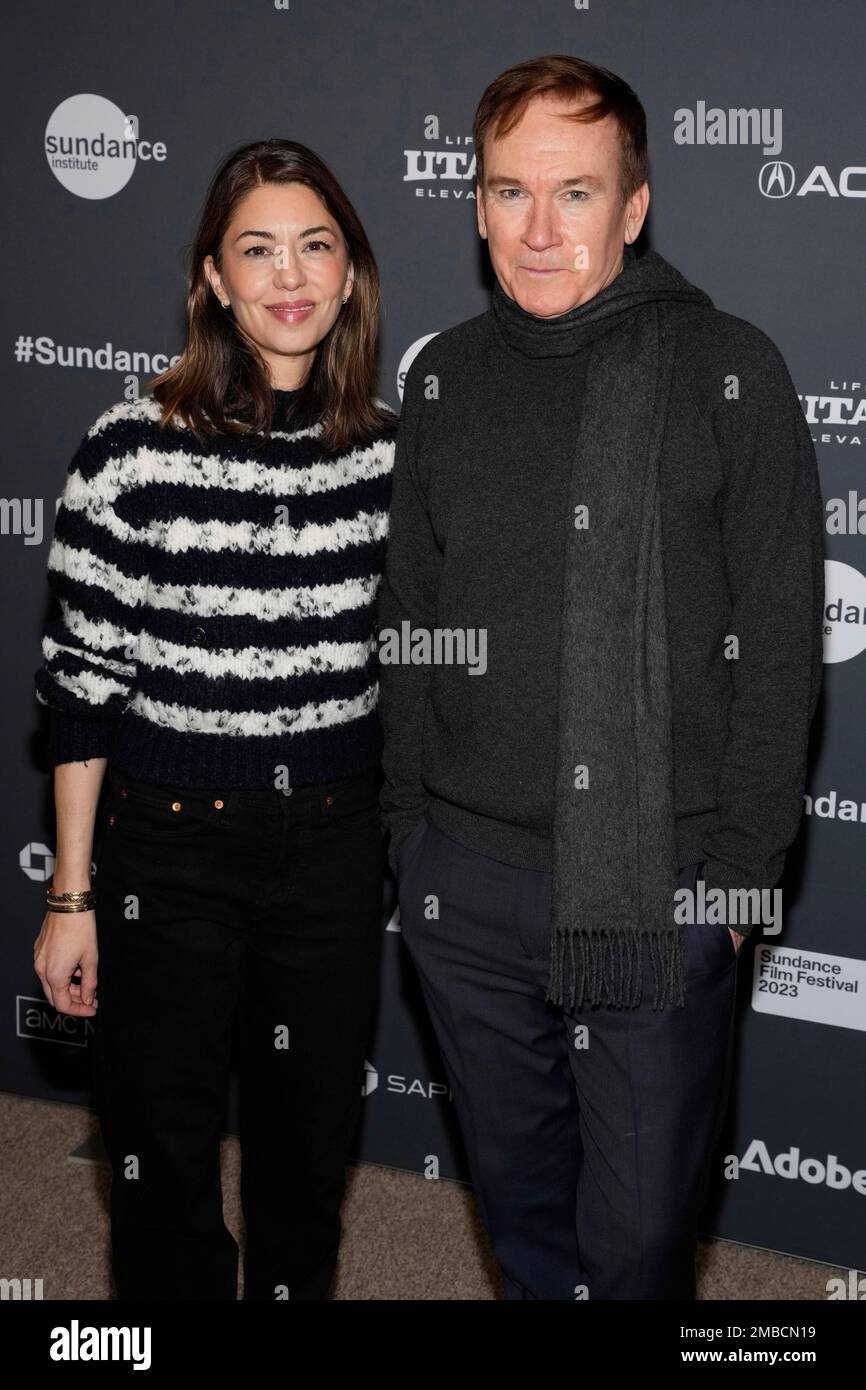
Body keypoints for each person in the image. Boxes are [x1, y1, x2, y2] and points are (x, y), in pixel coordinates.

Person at [378, 55, 825, 1300]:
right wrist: (407, 834)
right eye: (506, 190)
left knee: (631, 1252)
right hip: (462, 889)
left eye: (571, 191)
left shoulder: (727, 371)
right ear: (472, 204)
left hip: (652, 890)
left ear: (632, 207)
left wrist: (737, 881)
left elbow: (780, 641)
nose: (535, 228)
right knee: (521, 1229)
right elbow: (410, 616)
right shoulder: (442, 379)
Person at [33, 138, 397, 1300]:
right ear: (212, 278)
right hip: (167, 847)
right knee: (159, 1157)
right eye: (257, 250)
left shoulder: (393, 457)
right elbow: (80, 689)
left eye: (314, 246)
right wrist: (72, 896)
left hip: (335, 849)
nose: (287, 276)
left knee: (305, 1158)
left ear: (348, 274)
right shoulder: (127, 449)